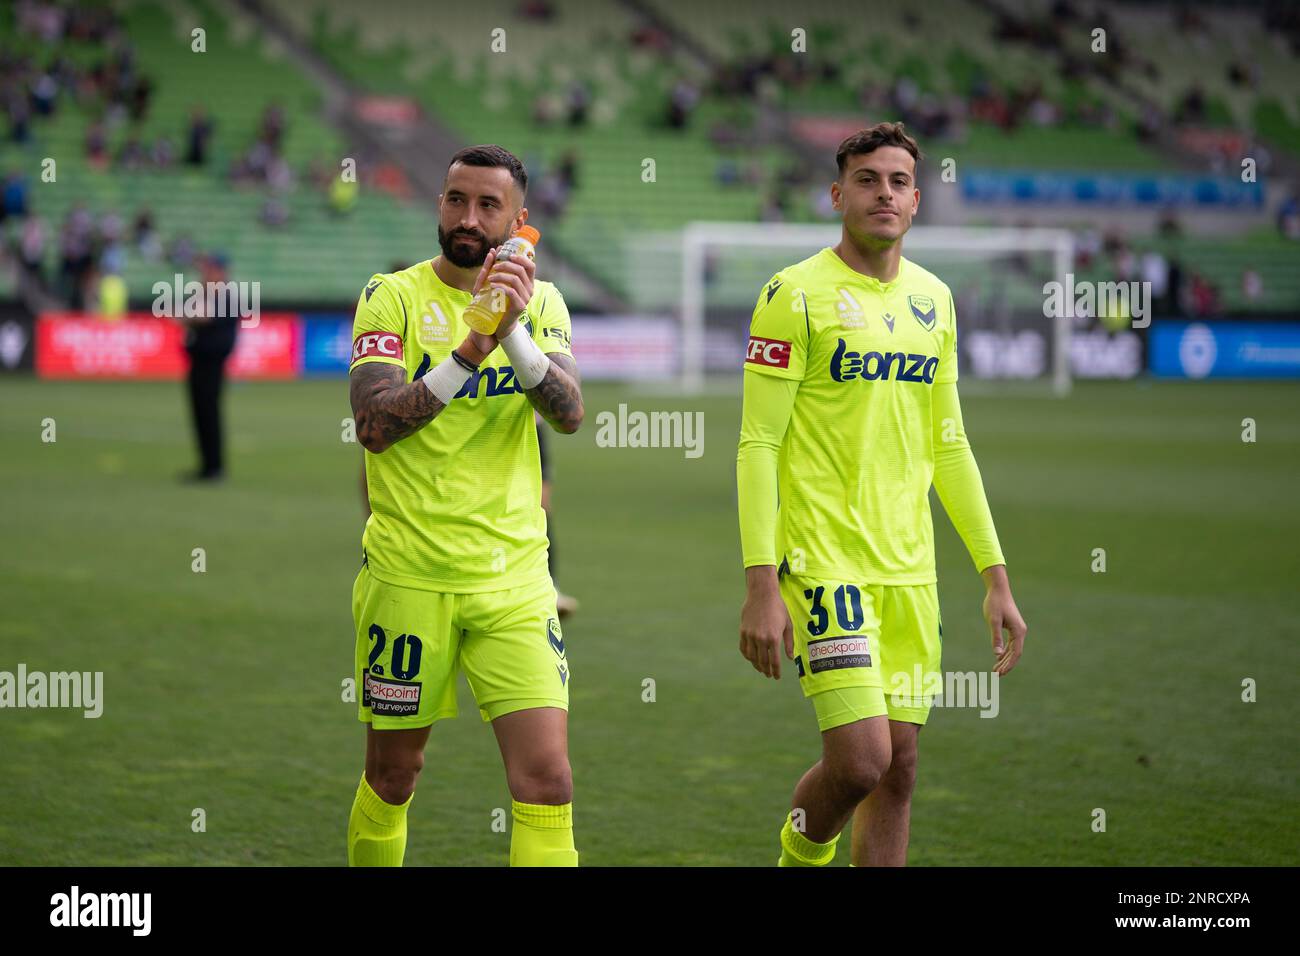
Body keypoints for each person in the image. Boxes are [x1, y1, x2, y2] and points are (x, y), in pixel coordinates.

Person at [736, 122, 1028, 867]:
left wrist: (995, 578)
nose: (883, 193)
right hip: (824, 562)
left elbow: (949, 446)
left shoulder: (935, 300)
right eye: (867, 180)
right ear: (838, 194)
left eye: (898, 181)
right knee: (861, 762)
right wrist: (761, 585)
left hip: (910, 570)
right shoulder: (792, 295)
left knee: (898, 772)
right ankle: (796, 856)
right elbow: (758, 445)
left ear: (917, 199)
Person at [346, 145, 584, 867]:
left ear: (519, 222)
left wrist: (510, 328)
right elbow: (376, 425)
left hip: (513, 579)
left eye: (488, 206)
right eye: (456, 200)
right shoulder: (391, 296)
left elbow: (569, 413)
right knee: (394, 776)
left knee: (547, 781)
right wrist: (470, 349)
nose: (468, 218)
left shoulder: (541, 303)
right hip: (409, 578)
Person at [180, 253, 237, 481]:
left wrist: (189, 317)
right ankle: (206, 465)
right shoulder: (208, 293)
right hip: (199, 361)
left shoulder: (225, 295)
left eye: (210, 270)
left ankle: (214, 467)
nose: (205, 274)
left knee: (209, 413)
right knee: (200, 413)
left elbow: (204, 317)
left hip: (211, 363)